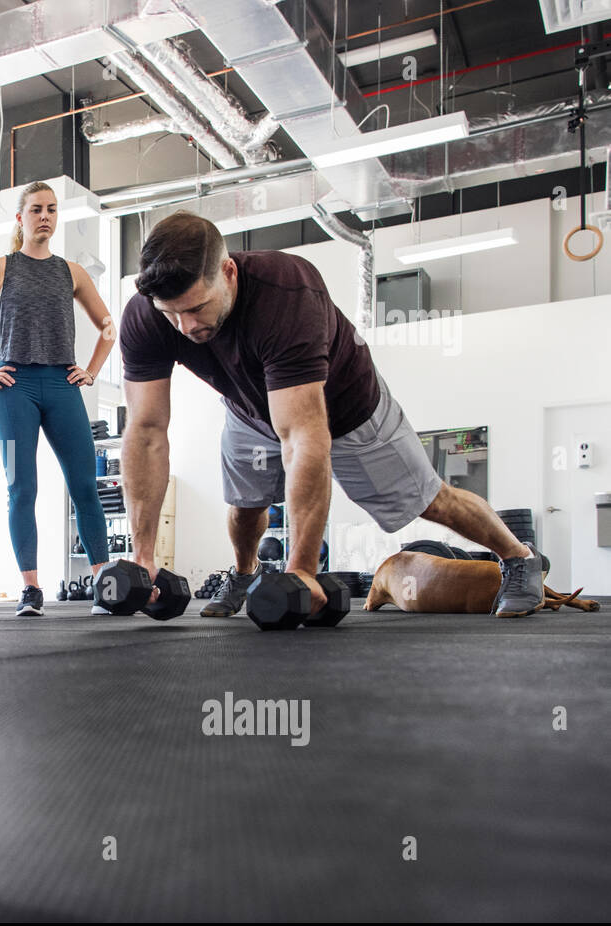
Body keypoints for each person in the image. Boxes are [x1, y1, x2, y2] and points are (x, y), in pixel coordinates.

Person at [120, 211, 544, 620]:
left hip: (350, 411)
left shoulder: (286, 293)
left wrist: (303, 569)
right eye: (170, 313)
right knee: (246, 505)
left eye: (196, 308)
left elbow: (305, 437)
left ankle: (519, 558)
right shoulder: (146, 315)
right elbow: (146, 432)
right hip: (251, 413)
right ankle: (245, 574)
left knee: (430, 501)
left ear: (228, 272)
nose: (184, 326)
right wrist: (143, 558)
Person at [0, 181, 118, 616]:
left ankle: (103, 584)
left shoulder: (72, 272)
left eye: (52, 209)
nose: (45, 216)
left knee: (85, 488)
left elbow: (108, 328)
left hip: (63, 388)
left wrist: (92, 371)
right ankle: (31, 588)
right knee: (22, 489)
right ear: (20, 218)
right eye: (37, 209)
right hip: (14, 390)